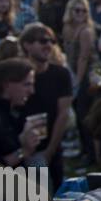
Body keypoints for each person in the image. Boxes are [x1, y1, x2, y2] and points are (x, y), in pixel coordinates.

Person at [16, 24, 74, 190]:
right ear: (26, 45)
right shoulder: (17, 73)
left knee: (55, 195)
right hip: (20, 146)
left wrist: (50, 150)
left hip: (51, 145)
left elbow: (63, 114)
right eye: (42, 41)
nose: (48, 45)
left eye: (51, 41)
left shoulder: (61, 74)